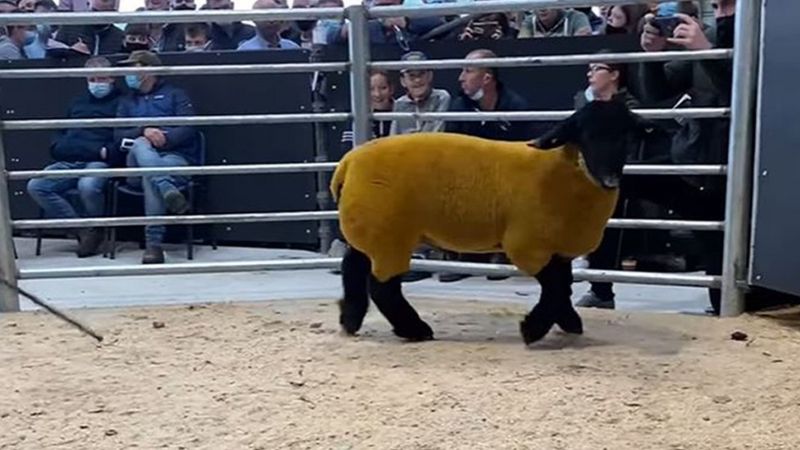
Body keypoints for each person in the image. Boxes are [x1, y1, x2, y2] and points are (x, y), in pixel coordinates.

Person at [576, 0, 736, 315]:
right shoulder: (709, 37)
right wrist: (653, 55)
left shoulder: (750, 39)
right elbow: (656, 95)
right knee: (614, 182)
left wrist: (705, 51)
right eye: (716, 7)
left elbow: (743, 91)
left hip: (731, 164)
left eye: (727, 7)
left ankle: (725, 299)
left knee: (717, 240)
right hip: (693, 157)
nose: (720, 14)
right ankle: (600, 287)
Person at [27, 56, 123, 257]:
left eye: (102, 79)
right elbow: (59, 139)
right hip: (71, 160)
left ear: (112, 78)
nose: (97, 84)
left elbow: (118, 143)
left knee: (87, 186)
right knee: (37, 185)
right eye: (92, 80)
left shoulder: (122, 102)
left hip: (99, 163)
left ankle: (95, 229)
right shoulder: (77, 102)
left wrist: (88, 149)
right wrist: (92, 149)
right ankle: (84, 230)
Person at [115, 51, 201, 265]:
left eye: (132, 66)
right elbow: (117, 135)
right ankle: (166, 187)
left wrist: (165, 138)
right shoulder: (126, 102)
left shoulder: (175, 95)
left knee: (150, 176)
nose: (127, 72)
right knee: (141, 144)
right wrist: (143, 131)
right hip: (134, 164)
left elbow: (189, 127)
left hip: (174, 157)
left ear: (149, 70)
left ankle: (153, 245)